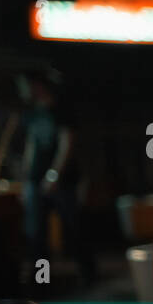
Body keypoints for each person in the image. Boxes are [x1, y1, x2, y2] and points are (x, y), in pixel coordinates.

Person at [17, 69, 96, 288]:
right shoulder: (32, 113)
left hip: (63, 181)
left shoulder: (62, 110)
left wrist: (54, 175)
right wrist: (26, 179)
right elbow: (31, 147)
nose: (22, 90)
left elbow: (66, 143)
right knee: (36, 234)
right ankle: (42, 280)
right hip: (35, 181)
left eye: (25, 85)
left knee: (74, 228)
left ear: (37, 85)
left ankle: (88, 274)